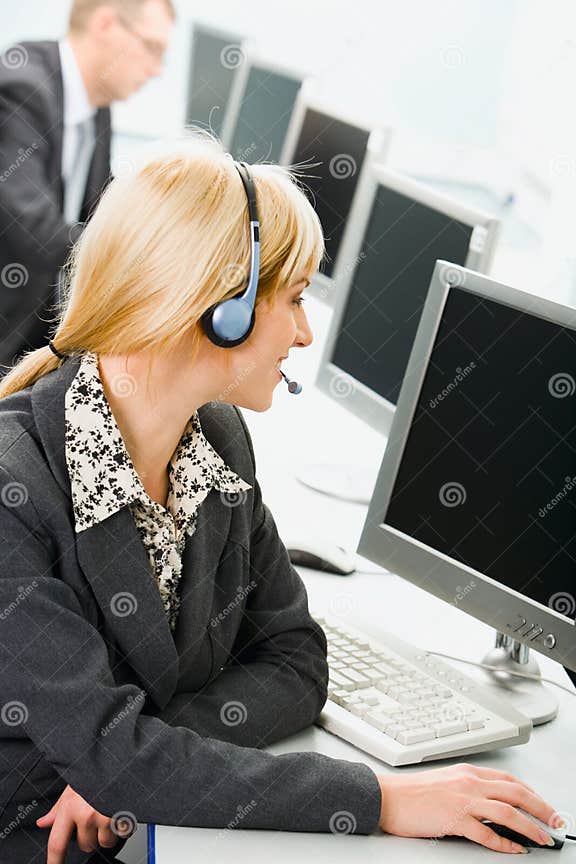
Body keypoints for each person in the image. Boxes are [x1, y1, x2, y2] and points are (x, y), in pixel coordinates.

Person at [0, 137, 563, 863]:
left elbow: (296, 659)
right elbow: (117, 760)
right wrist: (381, 799)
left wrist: (132, 764)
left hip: (124, 826)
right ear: (216, 306)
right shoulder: (17, 489)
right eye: (293, 299)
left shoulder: (216, 440)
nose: (303, 331)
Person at [0, 0, 175, 376]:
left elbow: (99, 209)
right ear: (105, 23)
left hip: (32, 327)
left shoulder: (96, 105)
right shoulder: (21, 88)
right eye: (153, 49)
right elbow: (33, 231)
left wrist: (161, 226)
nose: (157, 70)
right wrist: (141, 261)